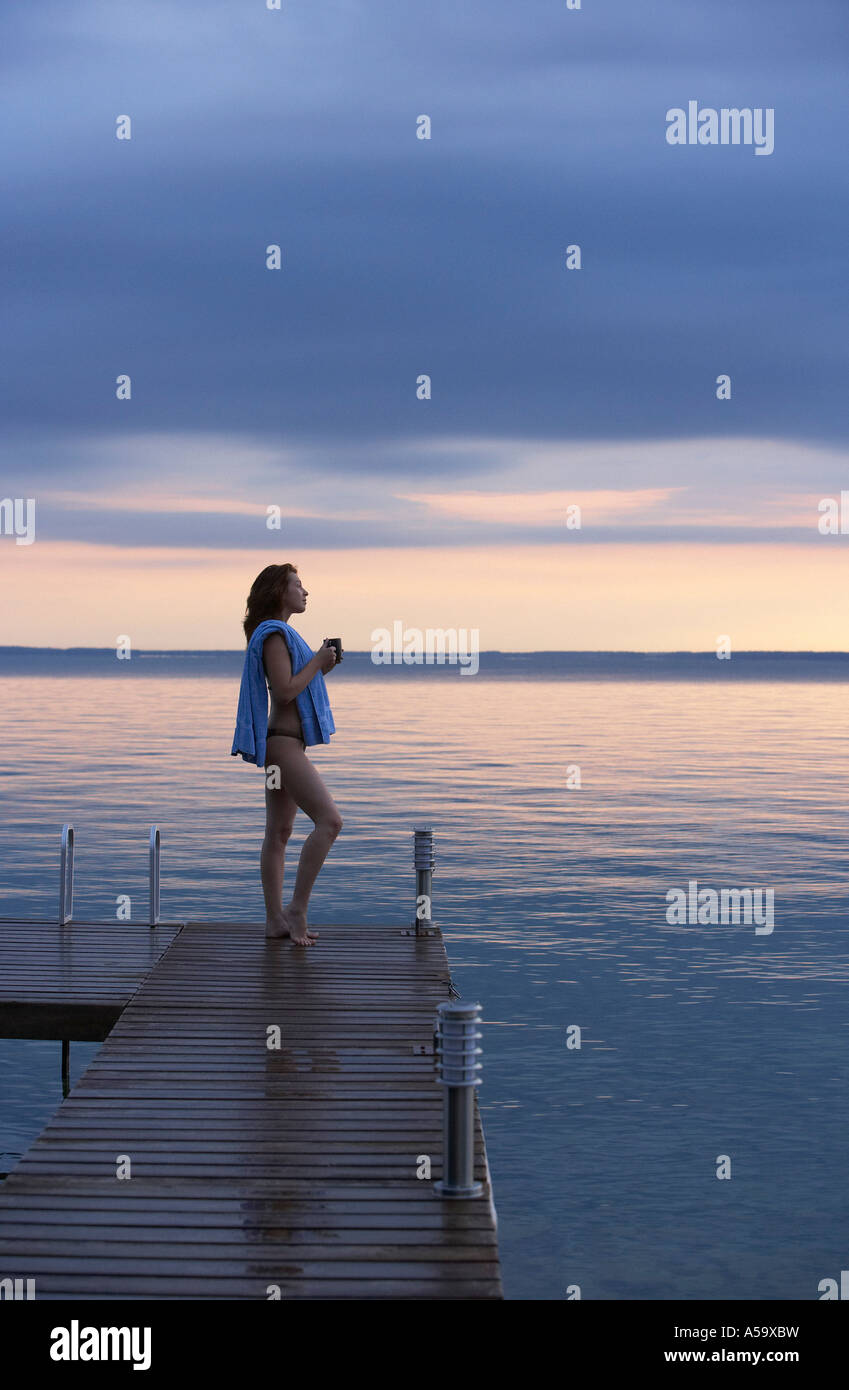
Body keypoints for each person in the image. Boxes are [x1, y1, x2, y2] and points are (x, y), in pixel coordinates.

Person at [231, 563, 341, 946]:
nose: (305, 591)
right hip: (283, 746)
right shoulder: (275, 635)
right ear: (280, 592)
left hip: (282, 746)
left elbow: (294, 688)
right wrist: (316, 661)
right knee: (330, 822)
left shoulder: (280, 635)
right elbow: (283, 692)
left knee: (278, 834)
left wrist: (319, 668)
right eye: (298, 584)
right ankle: (296, 908)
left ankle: (273, 921)